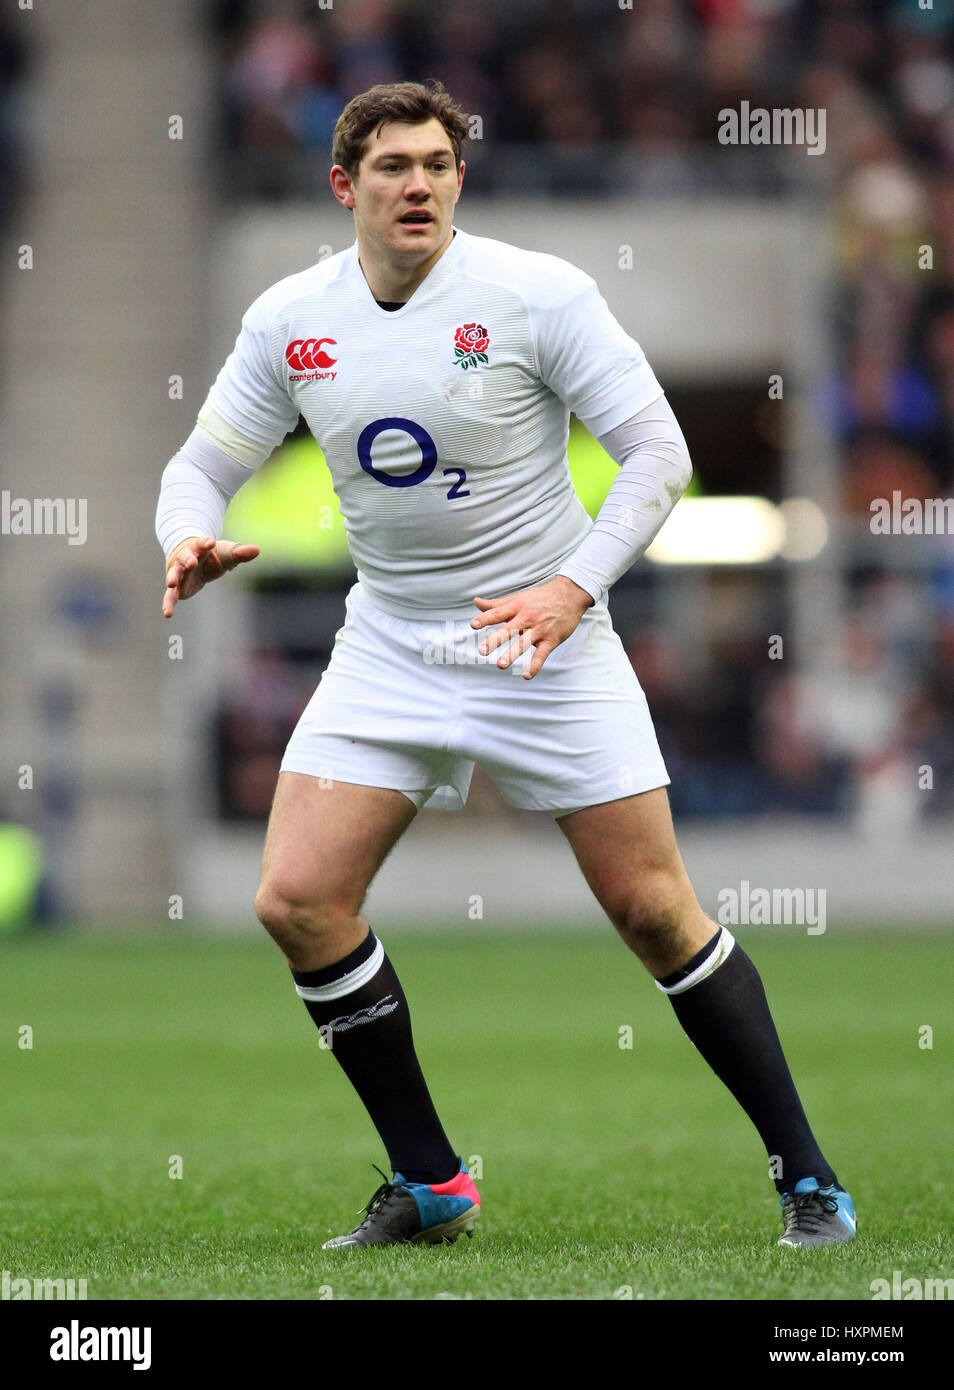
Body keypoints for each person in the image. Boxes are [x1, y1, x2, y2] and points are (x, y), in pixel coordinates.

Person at [155, 79, 855, 1251]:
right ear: (346, 186)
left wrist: (574, 584)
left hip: (546, 635)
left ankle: (810, 1178)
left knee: (652, 909)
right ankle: (430, 1181)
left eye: (437, 163)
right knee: (298, 902)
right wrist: (183, 533)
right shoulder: (290, 317)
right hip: (389, 639)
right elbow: (202, 461)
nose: (418, 183)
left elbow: (657, 455)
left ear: (459, 179)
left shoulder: (538, 295)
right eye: (391, 167)